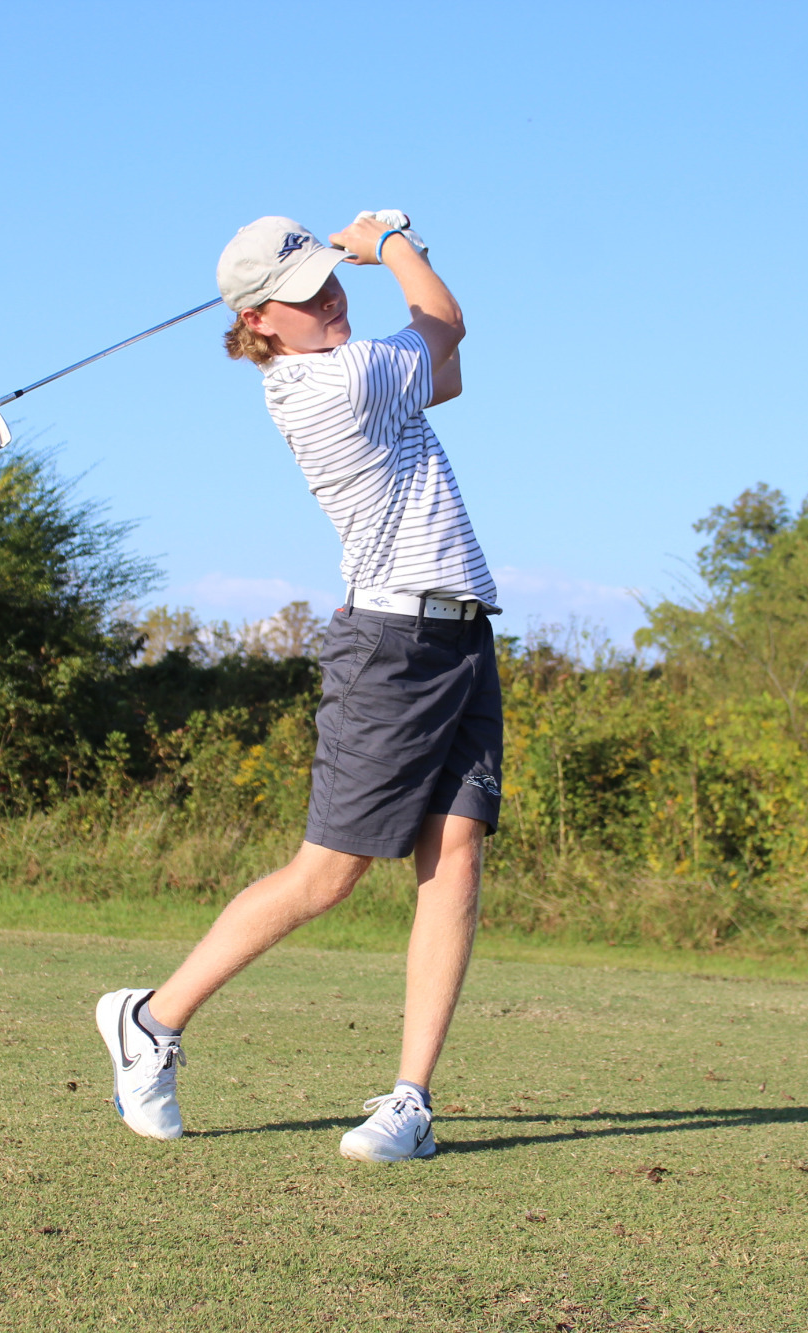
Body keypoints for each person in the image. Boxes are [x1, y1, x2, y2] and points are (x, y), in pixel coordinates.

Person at [96, 212, 502, 1163]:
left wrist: (387, 257)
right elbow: (447, 324)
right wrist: (390, 240)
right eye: (306, 291)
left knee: (456, 857)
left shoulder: (357, 369)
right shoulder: (333, 382)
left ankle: (411, 1102)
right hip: (392, 646)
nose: (331, 295)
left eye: (329, 276)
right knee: (329, 872)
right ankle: (151, 1019)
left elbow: (445, 370)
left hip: (461, 635)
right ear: (258, 320)